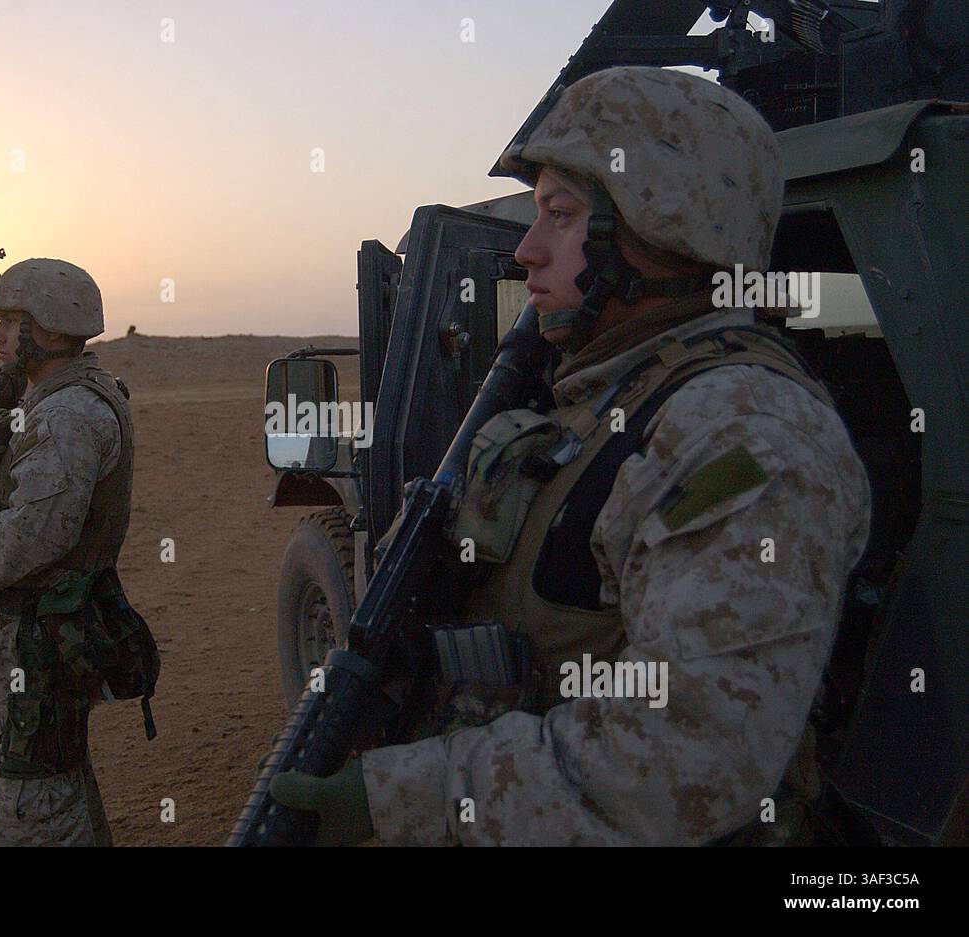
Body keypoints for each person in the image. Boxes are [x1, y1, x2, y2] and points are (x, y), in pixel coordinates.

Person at [267, 67, 872, 846]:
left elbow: (679, 762)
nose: (526, 250)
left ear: (658, 229)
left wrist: (398, 797)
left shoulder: (742, 431)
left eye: (560, 214)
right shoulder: (607, 397)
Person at [0, 257, 140, 846]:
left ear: (45, 329)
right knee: (58, 781)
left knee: (34, 809)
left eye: (8, 321)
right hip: (45, 629)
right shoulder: (55, 398)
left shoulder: (69, 413)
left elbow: (38, 534)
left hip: (40, 638)